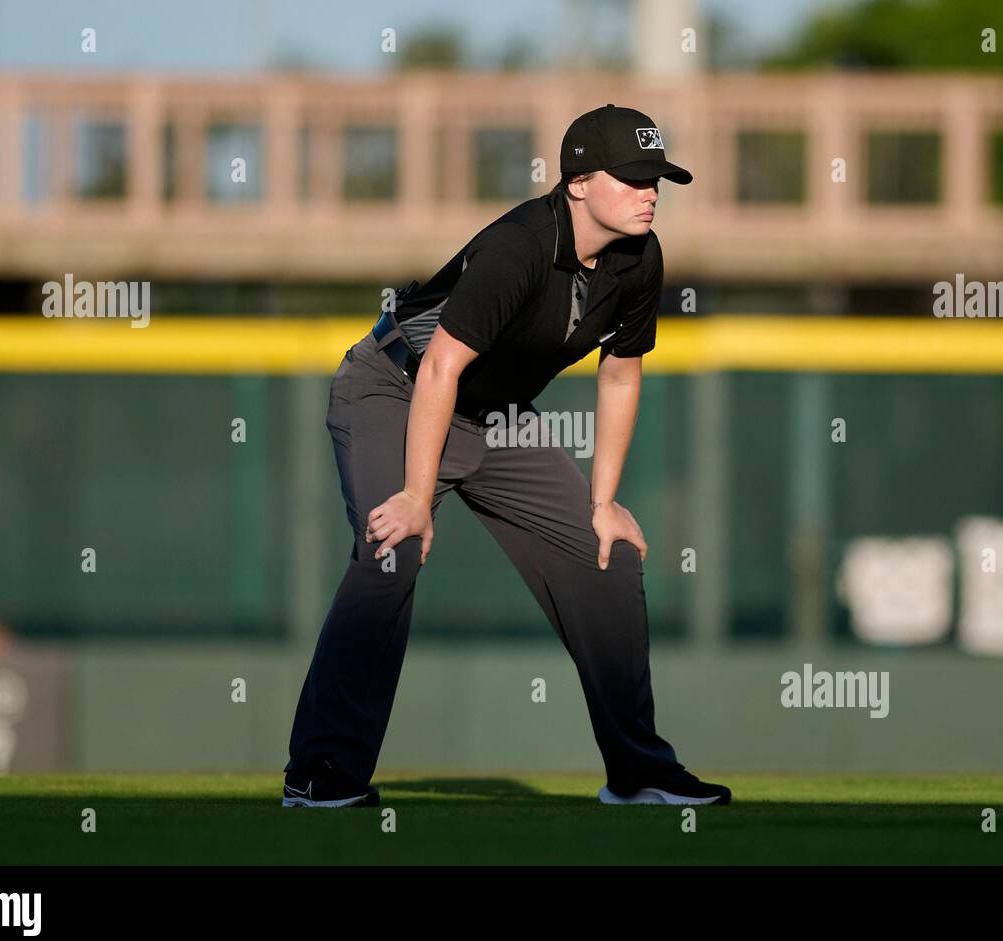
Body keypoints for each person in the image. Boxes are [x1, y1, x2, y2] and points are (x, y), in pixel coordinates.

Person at [282, 104, 731, 808]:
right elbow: (439, 369)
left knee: (604, 553)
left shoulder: (640, 259)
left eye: (658, 179)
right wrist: (413, 495)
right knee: (391, 546)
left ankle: (638, 771)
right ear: (579, 182)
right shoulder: (521, 245)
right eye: (634, 177)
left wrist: (605, 503)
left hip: (495, 421)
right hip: (394, 390)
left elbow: (621, 373)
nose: (650, 193)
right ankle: (320, 773)